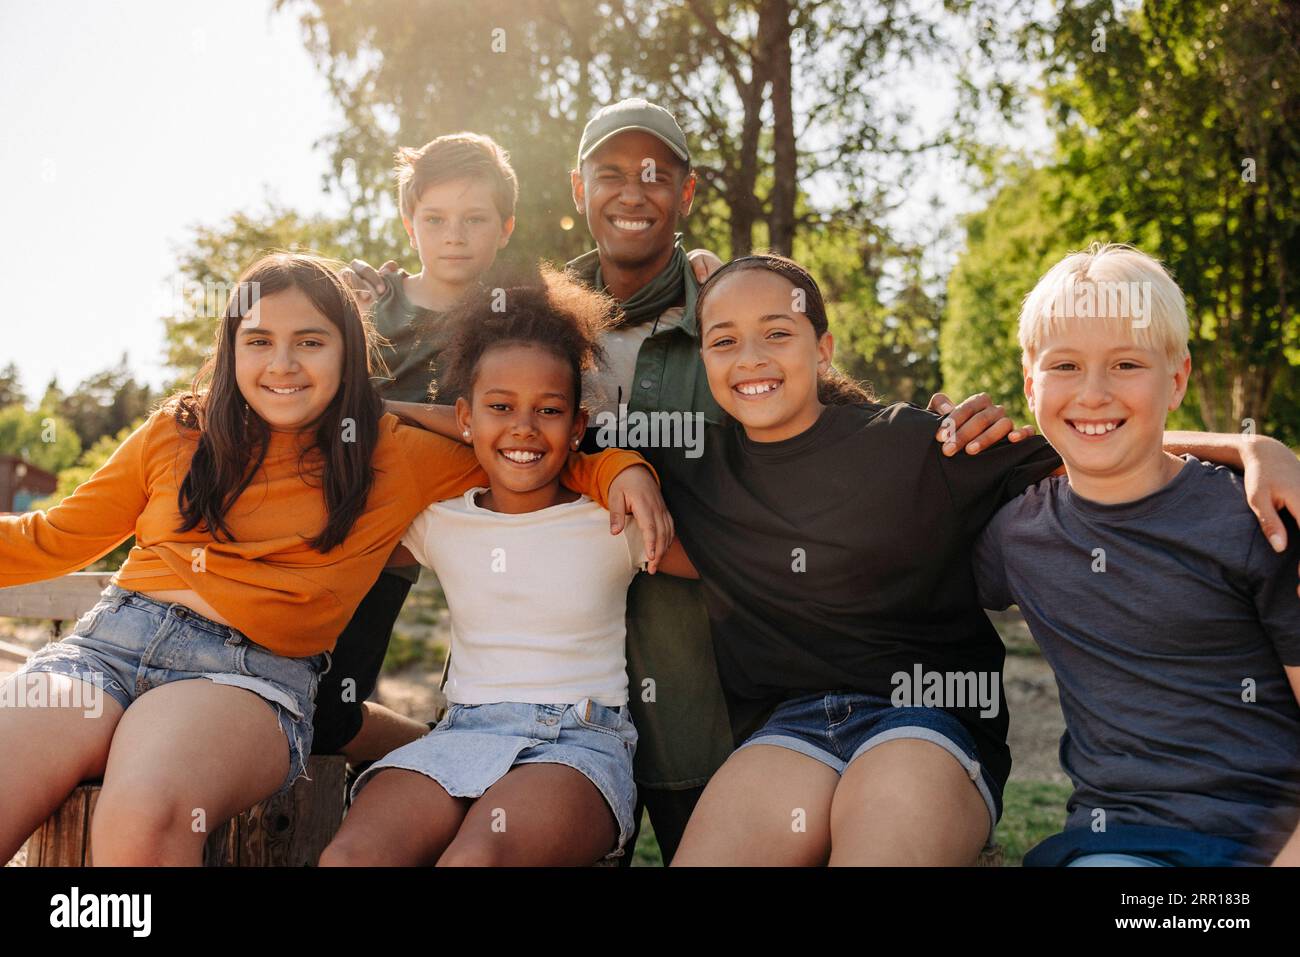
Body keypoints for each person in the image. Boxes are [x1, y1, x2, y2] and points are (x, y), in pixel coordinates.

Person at [0, 253, 661, 866]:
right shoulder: (178, 429)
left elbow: (523, 444)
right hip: (107, 645)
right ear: (230, 349)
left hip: (242, 675)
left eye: (310, 341)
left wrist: (621, 468)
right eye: (258, 340)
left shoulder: (390, 453)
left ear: (349, 349)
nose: (282, 363)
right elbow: (47, 538)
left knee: (142, 815)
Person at [639, 253, 1300, 865]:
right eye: (724, 339)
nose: (751, 356)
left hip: (926, 722)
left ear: (824, 349)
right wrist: (617, 472)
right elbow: (555, 446)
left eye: (778, 332)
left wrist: (1251, 448)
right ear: (703, 356)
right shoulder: (696, 470)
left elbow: (1096, 450)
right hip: (796, 730)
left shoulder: (915, 446)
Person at [972, 243, 1300, 867]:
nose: (1092, 394)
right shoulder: (1017, 534)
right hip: (1124, 844)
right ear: (1028, 382)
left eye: (1126, 365)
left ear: (1176, 379)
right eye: (1065, 366)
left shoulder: (1258, 520)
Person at [323, 267, 654, 865]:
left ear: (577, 426)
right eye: (499, 406)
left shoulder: (615, 518)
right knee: (348, 858)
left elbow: (731, 564)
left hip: (577, 741)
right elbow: (355, 462)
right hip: (461, 733)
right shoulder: (438, 519)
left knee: (475, 859)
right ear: (464, 417)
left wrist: (623, 466)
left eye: (549, 411)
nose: (524, 427)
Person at [314, 132, 520, 765]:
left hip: (408, 539)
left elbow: (494, 424)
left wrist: (386, 413)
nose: (453, 235)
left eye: (474, 219)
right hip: (324, 515)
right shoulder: (364, 309)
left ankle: (438, 763)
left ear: (504, 228)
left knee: (334, 707)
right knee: (303, 699)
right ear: (410, 224)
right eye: (434, 219)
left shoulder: (507, 319)